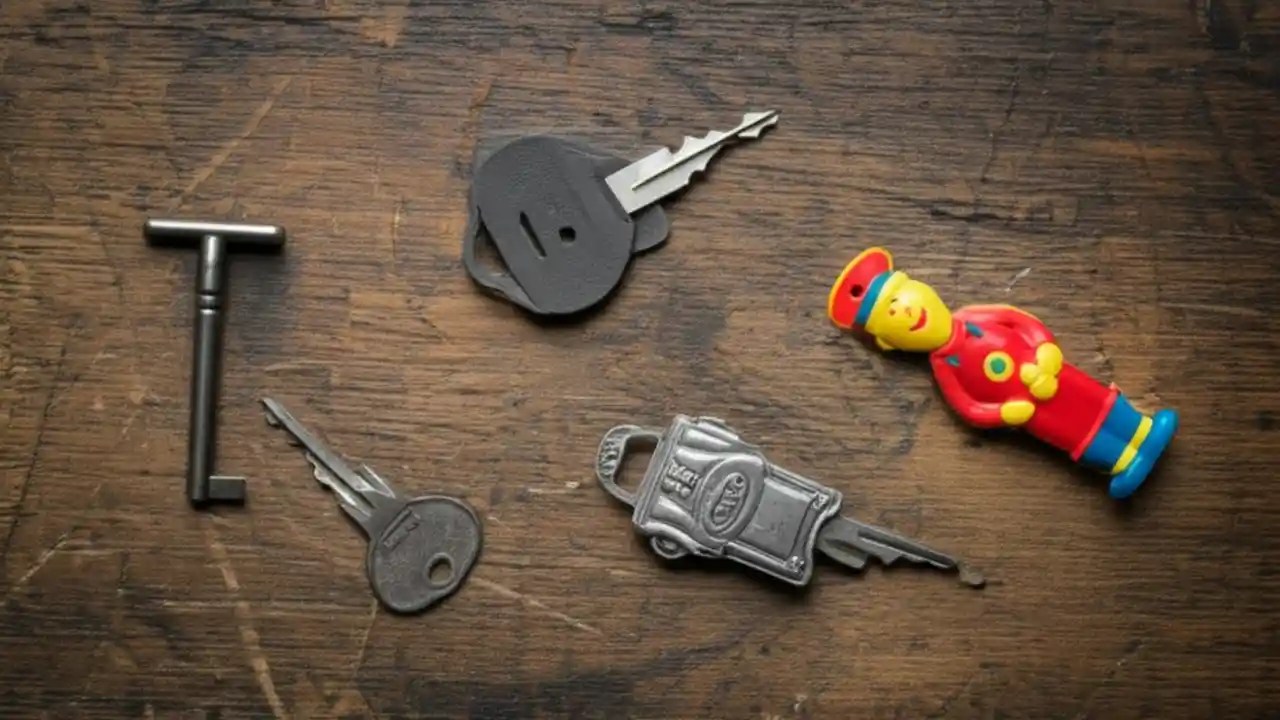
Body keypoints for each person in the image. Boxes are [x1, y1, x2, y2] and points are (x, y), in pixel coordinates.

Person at [827, 247, 1178, 499]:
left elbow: (1021, 322)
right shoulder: (943, 369)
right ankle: (1123, 461)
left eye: (901, 300)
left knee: (1096, 400)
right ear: (890, 345)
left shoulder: (977, 315)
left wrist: (1045, 348)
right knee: (1073, 433)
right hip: (1032, 411)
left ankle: (1143, 428)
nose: (906, 314)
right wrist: (1005, 412)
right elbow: (967, 407)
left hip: (1053, 376)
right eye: (892, 316)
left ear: (925, 289)